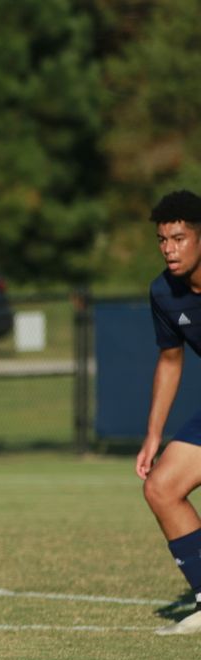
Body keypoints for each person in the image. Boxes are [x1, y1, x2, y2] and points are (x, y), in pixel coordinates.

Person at [136, 190, 201, 636]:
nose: (169, 249)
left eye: (179, 238)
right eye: (162, 240)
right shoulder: (164, 291)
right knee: (161, 488)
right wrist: (154, 435)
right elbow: (170, 361)